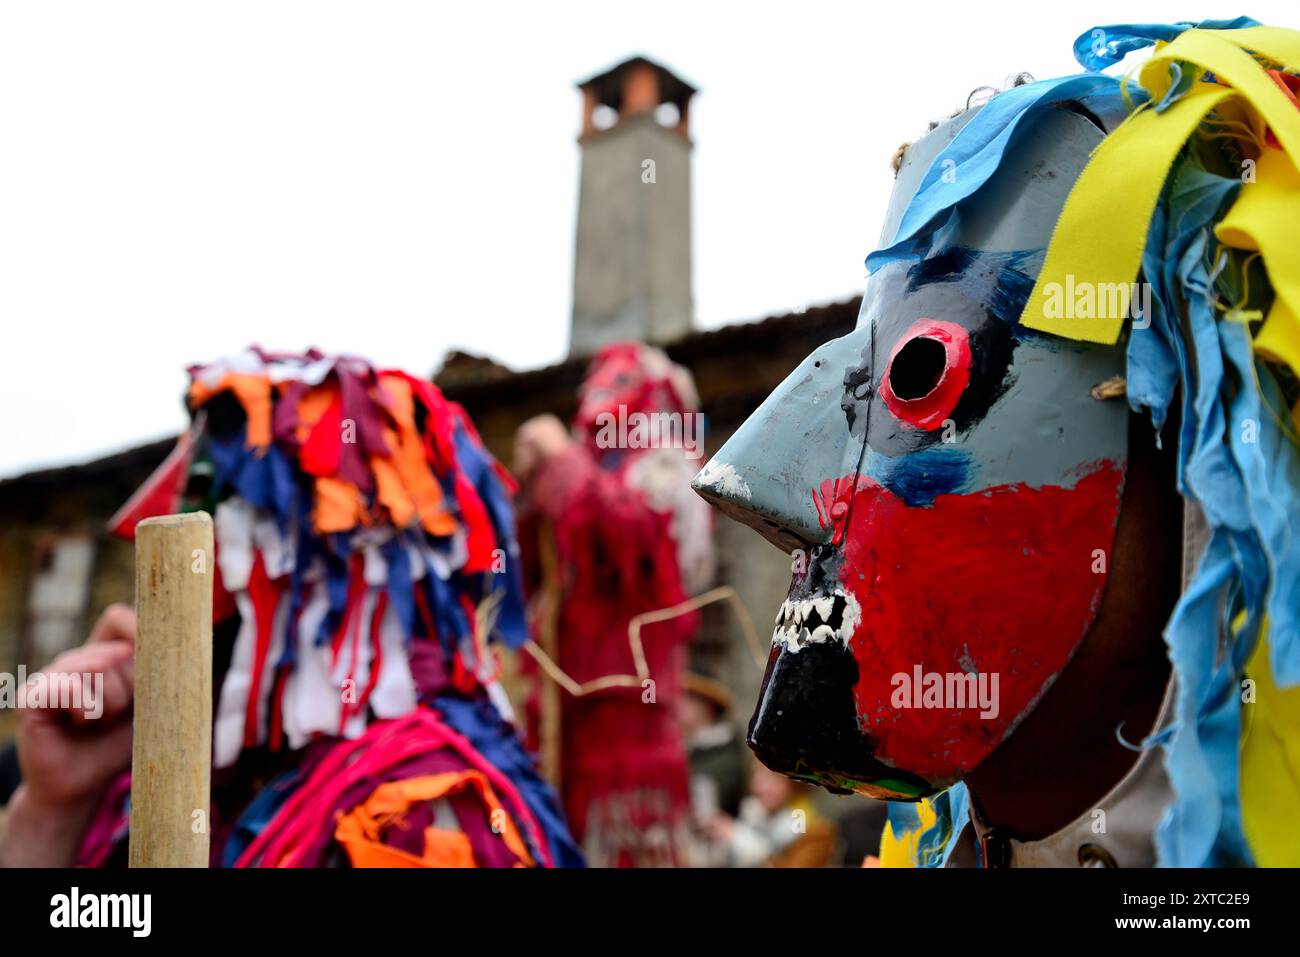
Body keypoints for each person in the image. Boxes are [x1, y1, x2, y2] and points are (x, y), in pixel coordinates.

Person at [1, 348, 583, 868]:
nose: (147, 566)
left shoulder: (416, 821)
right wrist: (52, 806)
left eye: (207, 507)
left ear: (324, 567)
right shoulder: (178, 780)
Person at [513, 342, 714, 867]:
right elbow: (530, 573)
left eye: (619, 385)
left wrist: (558, 460)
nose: (601, 400)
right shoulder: (590, 467)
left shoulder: (672, 466)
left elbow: (629, 538)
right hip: (567, 713)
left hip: (630, 719)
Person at [706, 763, 836, 868]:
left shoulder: (815, 831)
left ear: (795, 782)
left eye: (771, 778)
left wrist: (736, 836)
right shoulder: (759, 815)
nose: (759, 786)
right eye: (756, 775)